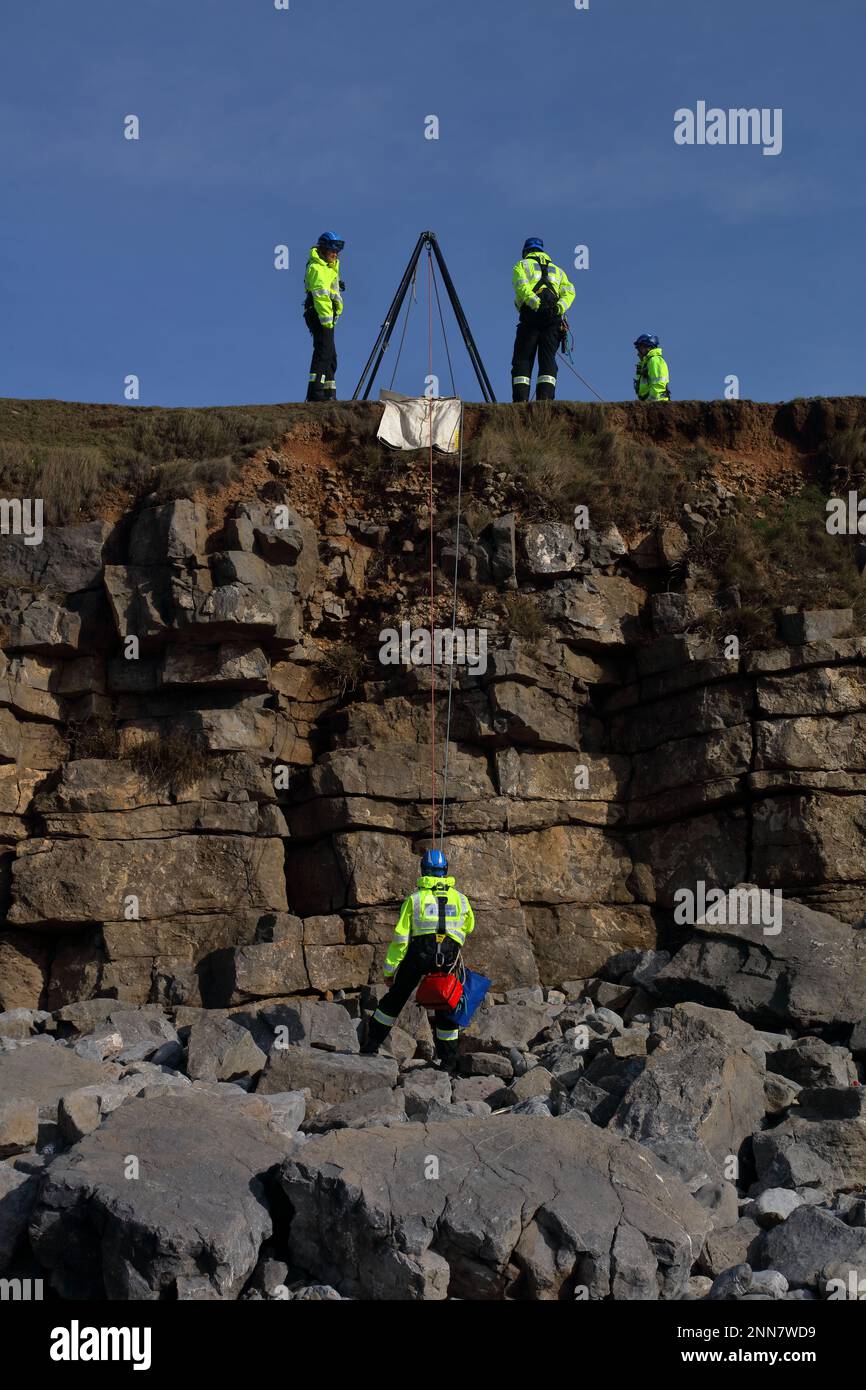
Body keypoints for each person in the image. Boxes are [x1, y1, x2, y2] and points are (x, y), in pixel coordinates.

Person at [360, 848, 475, 1071]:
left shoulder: (414, 900)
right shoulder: (461, 899)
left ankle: (372, 1043)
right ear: (445, 871)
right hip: (449, 957)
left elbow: (401, 939)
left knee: (396, 997)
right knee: (447, 1001)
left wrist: (389, 970)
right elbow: (469, 926)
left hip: (419, 955)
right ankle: (448, 1061)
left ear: (423, 870)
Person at [510, 238, 575, 402]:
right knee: (547, 360)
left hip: (530, 317)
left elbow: (522, 288)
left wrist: (536, 304)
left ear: (526, 252)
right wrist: (558, 308)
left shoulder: (522, 265)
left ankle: (520, 401)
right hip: (552, 319)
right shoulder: (559, 271)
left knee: (523, 359)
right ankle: (545, 402)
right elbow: (569, 293)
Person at [304, 232, 345, 401]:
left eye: (337, 251)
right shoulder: (317, 267)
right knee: (324, 352)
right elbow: (320, 297)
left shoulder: (330, 269)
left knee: (331, 356)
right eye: (331, 250)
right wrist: (328, 321)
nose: (335, 254)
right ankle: (315, 394)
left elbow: (332, 294)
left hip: (326, 316)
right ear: (322, 249)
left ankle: (329, 394)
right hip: (320, 315)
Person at [633, 334, 671, 401]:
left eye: (640, 349)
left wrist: (651, 403)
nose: (638, 354)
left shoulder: (654, 360)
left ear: (648, 348)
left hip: (658, 403)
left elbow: (658, 384)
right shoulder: (647, 363)